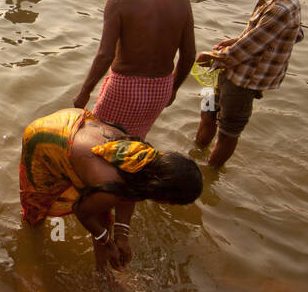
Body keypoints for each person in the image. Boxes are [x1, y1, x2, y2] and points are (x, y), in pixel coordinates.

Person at [19, 109, 203, 271]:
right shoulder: (110, 188)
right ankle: (30, 247)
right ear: (164, 192)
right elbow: (82, 211)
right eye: (172, 201)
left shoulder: (146, 158)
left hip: (73, 120)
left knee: (103, 211)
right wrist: (108, 243)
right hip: (45, 138)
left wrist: (122, 236)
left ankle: (102, 269)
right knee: (38, 205)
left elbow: (130, 193)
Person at [194, 0, 306, 168]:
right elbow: (294, 34)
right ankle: (194, 156)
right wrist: (238, 39)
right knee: (207, 113)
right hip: (231, 71)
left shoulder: (279, 8)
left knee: (228, 131)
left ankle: (208, 173)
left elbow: (241, 52)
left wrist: (210, 56)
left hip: (243, 81)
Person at [74, 0, 195, 142]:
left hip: (124, 87)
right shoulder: (182, 0)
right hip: (161, 87)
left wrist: (84, 92)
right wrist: (173, 89)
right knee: (134, 141)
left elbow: (105, 55)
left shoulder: (118, 0)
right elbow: (189, 55)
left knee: (100, 141)